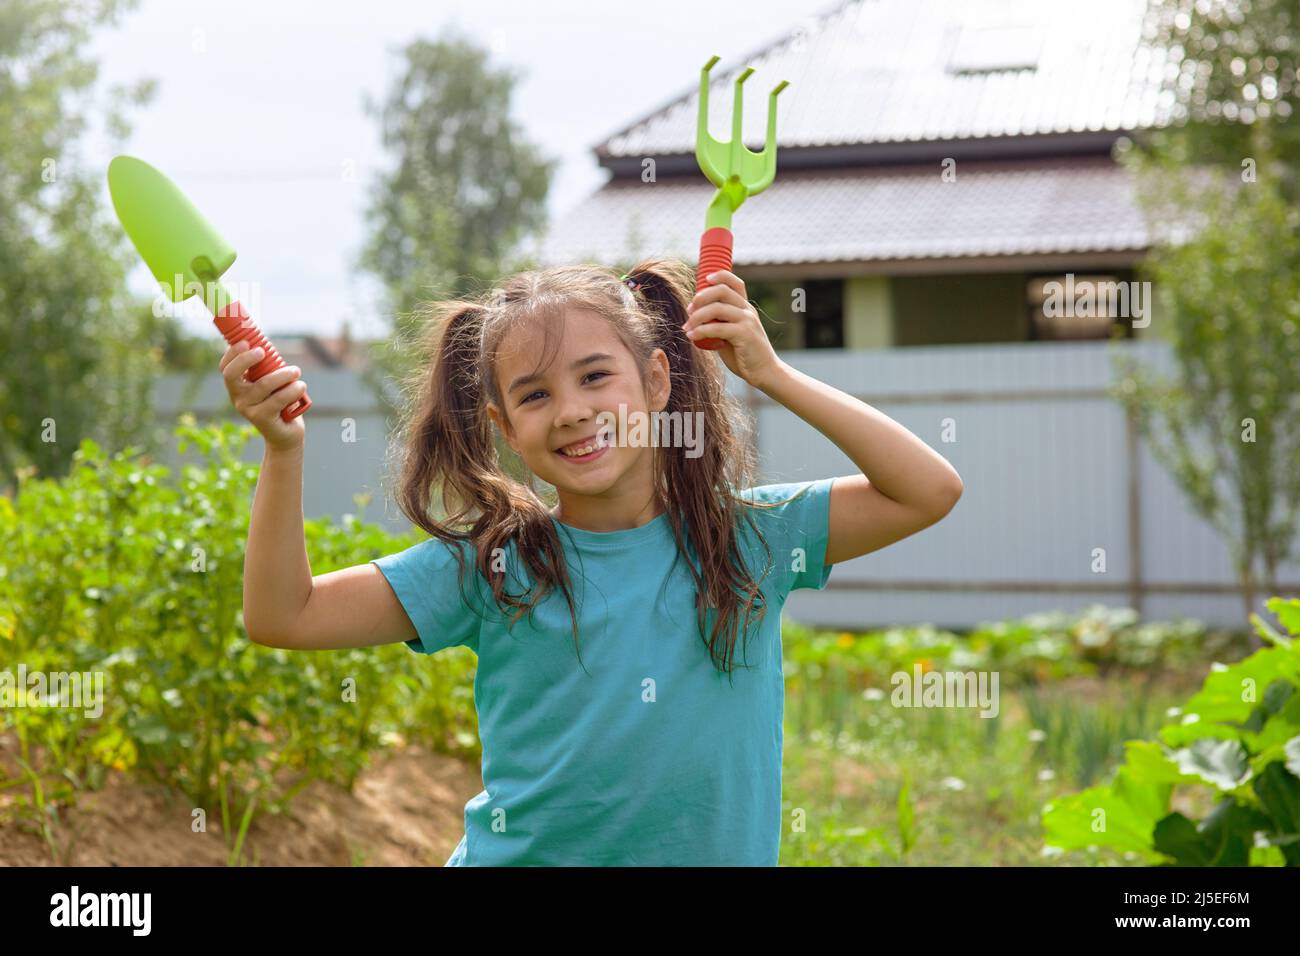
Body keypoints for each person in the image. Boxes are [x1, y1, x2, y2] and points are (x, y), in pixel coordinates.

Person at [219, 257, 963, 866]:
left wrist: (769, 372)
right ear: (506, 427)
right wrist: (284, 453)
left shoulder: (751, 539)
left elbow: (928, 490)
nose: (571, 409)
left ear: (658, 382)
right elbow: (285, 615)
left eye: (595, 375)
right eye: (536, 394)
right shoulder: (494, 567)